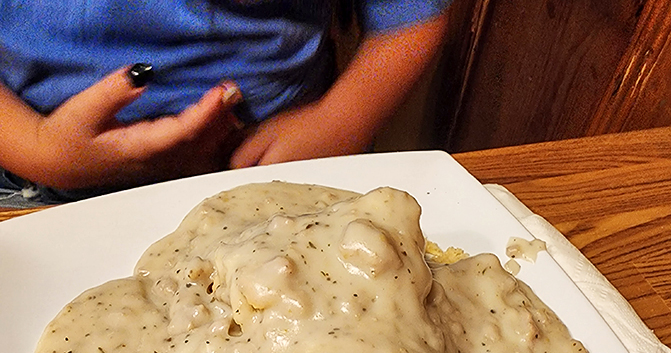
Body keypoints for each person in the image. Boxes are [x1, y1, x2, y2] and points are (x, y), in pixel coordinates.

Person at [0, 1, 452, 206]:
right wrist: (42, 152)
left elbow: (410, 19)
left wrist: (339, 120)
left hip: (276, 175)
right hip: (34, 184)